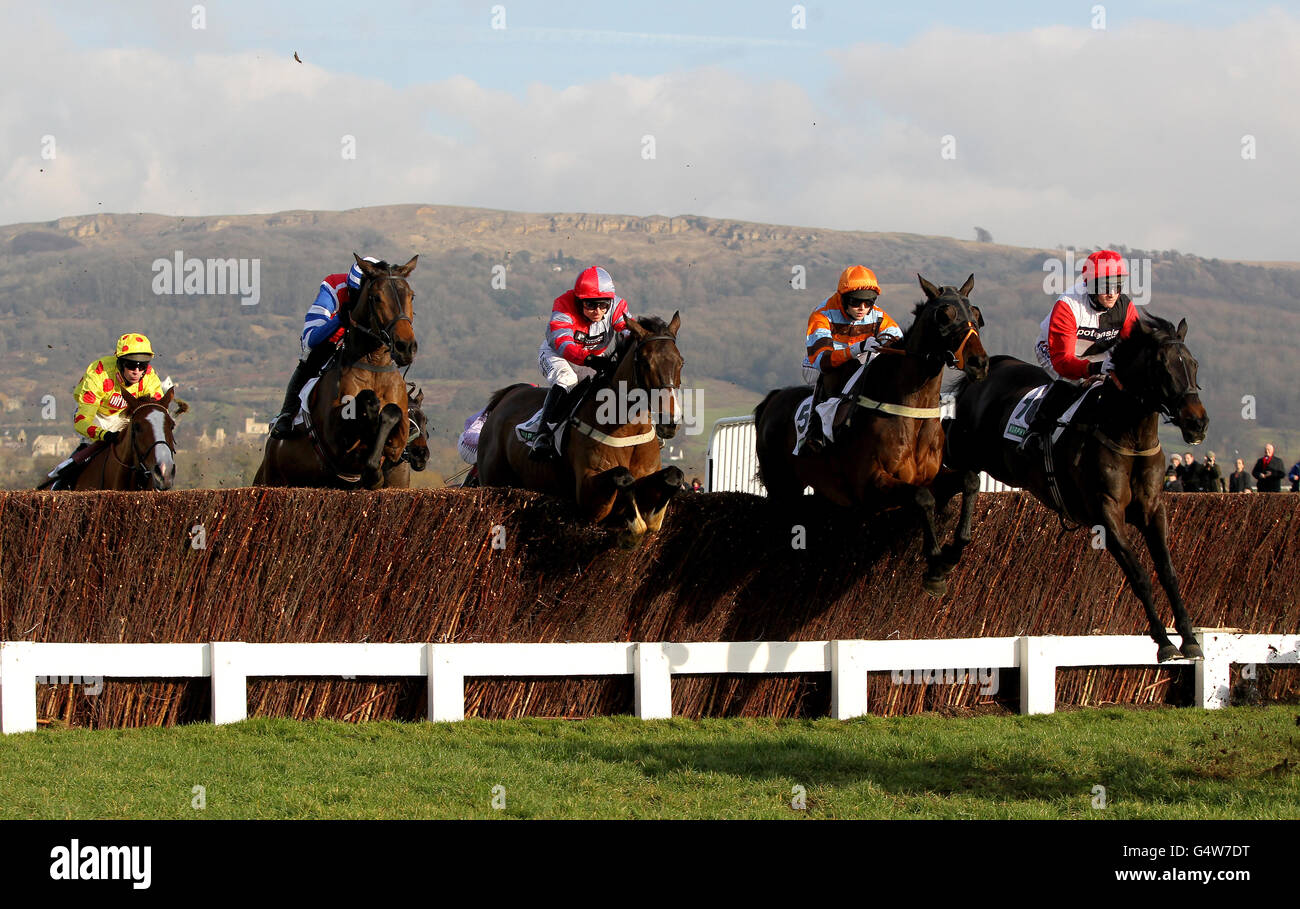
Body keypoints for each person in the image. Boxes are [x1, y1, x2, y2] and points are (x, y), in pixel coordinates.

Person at [1020, 250, 1138, 457]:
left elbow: (1133, 348)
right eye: (1104, 287)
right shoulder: (1069, 305)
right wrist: (1092, 369)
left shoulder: (1125, 307)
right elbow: (1063, 362)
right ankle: (1036, 431)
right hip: (1057, 352)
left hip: (1097, 354)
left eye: (1117, 286)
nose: (1112, 293)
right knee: (1071, 382)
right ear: (1091, 286)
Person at [797, 265, 902, 455]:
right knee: (836, 372)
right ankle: (814, 433)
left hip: (855, 362)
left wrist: (885, 342)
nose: (862, 308)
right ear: (843, 298)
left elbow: (896, 338)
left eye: (869, 302)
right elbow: (823, 360)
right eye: (855, 302)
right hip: (819, 366)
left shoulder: (876, 315)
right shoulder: (822, 315)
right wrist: (855, 349)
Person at [529, 266, 631, 459]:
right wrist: (590, 359)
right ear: (579, 301)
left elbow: (627, 329)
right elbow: (563, 343)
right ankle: (541, 435)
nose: (598, 311)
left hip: (590, 360)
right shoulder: (563, 306)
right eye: (591, 305)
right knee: (567, 379)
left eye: (603, 305)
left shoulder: (617, 306)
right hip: (557, 355)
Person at [270, 256, 378, 439]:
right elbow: (311, 339)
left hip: (361, 347)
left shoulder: (381, 294)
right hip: (330, 342)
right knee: (311, 354)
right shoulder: (334, 285)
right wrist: (340, 319)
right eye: (354, 293)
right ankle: (287, 414)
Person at [49, 333, 165, 489]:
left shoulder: (150, 378)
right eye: (131, 365)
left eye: (142, 365)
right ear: (120, 363)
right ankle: (62, 480)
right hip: (98, 415)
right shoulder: (99, 373)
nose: (137, 371)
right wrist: (103, 435)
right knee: (92, 448)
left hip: (125, 416)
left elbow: (157, 418)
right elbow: (82, 422)